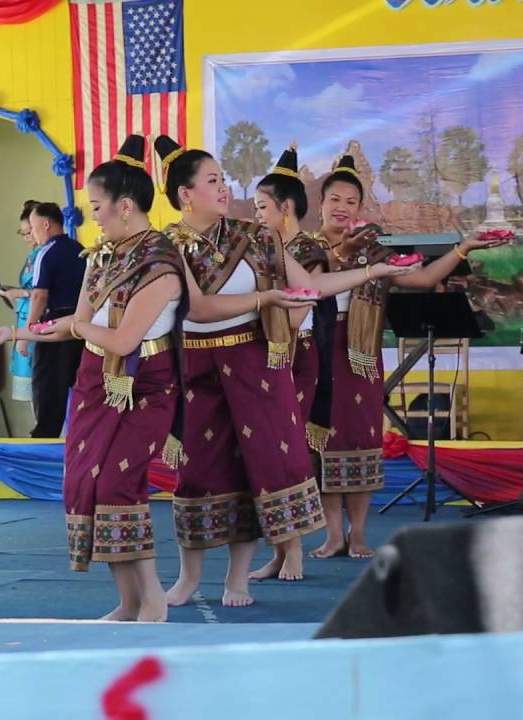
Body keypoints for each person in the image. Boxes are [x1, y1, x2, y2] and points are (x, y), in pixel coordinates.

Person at [152, 135, 409, 603]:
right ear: (185, 193)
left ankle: (236, 578)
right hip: (198, 368)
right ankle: (187, 579)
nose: (225, 188)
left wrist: (374, 273)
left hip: (254, 366)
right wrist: (265, 298)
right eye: (212, 180)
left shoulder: (254, 235)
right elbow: (200, 307)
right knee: (199, 473)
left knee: (255, 470)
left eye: (224, 179)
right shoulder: (167, 245)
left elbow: (310, 285)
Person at [0, 136, 181, 622]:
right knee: (86, 484)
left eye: (98, 206)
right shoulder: (101, 259)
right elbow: (73, 324)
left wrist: (82, 327)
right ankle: (129, 602)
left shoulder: (162, 262)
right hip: (94, 384)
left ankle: (152, 600)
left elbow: (123, 340)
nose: (94, 217)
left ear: (125, 206)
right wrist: (13, 333)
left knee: (117, 483)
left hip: (142, 385)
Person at [311, 154, 507, 560]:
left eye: (351, 201)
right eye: (335, 200)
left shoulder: (373, 252)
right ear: (321, 203)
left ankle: (359, 533)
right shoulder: (304, 248)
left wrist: (463, 248)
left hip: (359, 351)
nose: (342, 208)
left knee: (361, 438)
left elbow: (421, 279)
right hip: (316, 349)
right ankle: (333, 535)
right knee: (322, 441)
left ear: (360, 209)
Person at [249, 144, 336, 581]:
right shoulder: (262, 250)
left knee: (290, 453)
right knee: (267, 453)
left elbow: (304, 307)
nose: (257, 215)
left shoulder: (310, 250)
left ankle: (296, 548)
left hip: (297, 357)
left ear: (284, 208)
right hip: (266, 356)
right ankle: (280, 550)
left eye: (262, 207)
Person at [25, 202, 86, 438]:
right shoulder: (80, 249)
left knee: (47, 384)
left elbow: (40, 295)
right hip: (81, 323)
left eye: (33, 226)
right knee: (78, 384)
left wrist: (28, 332)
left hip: (53, 323)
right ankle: (80, 439)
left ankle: (44, 438)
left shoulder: (46, 252)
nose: (32, 232)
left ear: (46, 224)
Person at [6, 200, 43, 403]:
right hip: (24, 315)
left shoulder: (44, 254)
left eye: (30, 231)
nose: (28, 237)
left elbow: (41, 292)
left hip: (34, 317)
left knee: (38, 385)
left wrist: (20, 293)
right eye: (23, 233)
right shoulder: (32, 255)